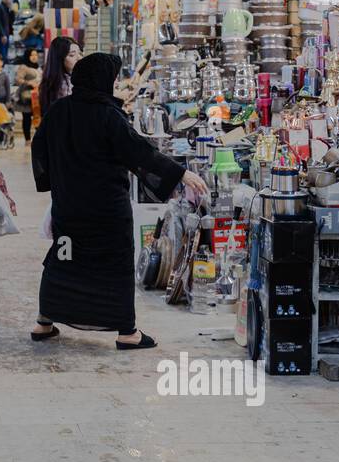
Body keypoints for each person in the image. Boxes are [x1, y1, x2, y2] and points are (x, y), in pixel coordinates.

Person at [31, 53, 209, 349]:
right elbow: (139, 152)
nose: (115, 85)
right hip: (106, 212)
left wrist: (55, 181)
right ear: (101, 81)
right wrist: (180, 174)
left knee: (62, 261)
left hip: (69, 207)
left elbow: (39, 147)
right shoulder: (108, 114)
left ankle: (43, 321)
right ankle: (127, 332)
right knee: (116, 266)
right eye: (112, 80)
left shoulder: (59, 111)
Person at [38, 35, 81, 117]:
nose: (79, 58)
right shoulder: (60, 85)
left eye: (79, 53)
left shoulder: (75, 78)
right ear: (59, 59)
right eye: (72, 55)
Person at [14, 46, 42, 143]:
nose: (34, 57)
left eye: (36, 55)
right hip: (26, 96)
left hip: (38, 96)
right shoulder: (24, 67)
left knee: (38, 116)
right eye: (32, 55)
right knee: (26, 117)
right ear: (27, 56)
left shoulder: (39, 67)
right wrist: (28, 82)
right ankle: (27, 139)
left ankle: (39, 138)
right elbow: (17, 79)